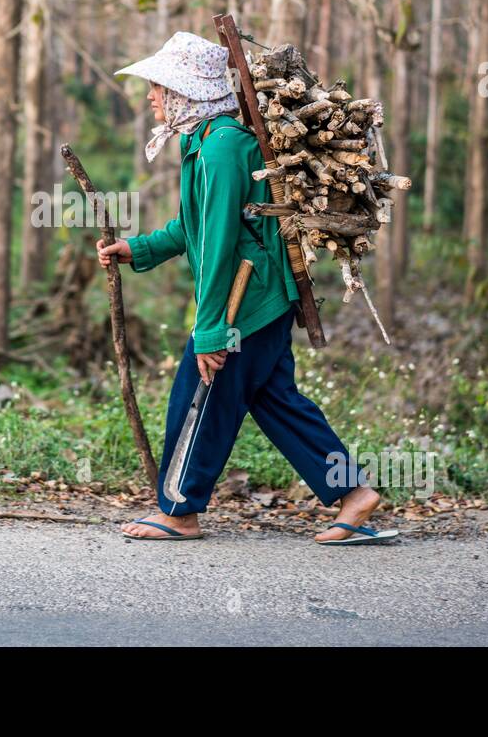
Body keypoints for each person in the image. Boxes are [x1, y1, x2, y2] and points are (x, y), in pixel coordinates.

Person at [100, 31, 396, 545]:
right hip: (264, 297)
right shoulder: (205, 143)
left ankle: (179, 510)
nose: (150, 96)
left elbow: (218, 246)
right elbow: (193, 226)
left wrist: (211, 329)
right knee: (276, 400)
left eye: (158, 86)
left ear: (185, 91)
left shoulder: (220, 150)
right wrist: (140, 249)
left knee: (199, 398)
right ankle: (352, 494)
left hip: (245, 300)